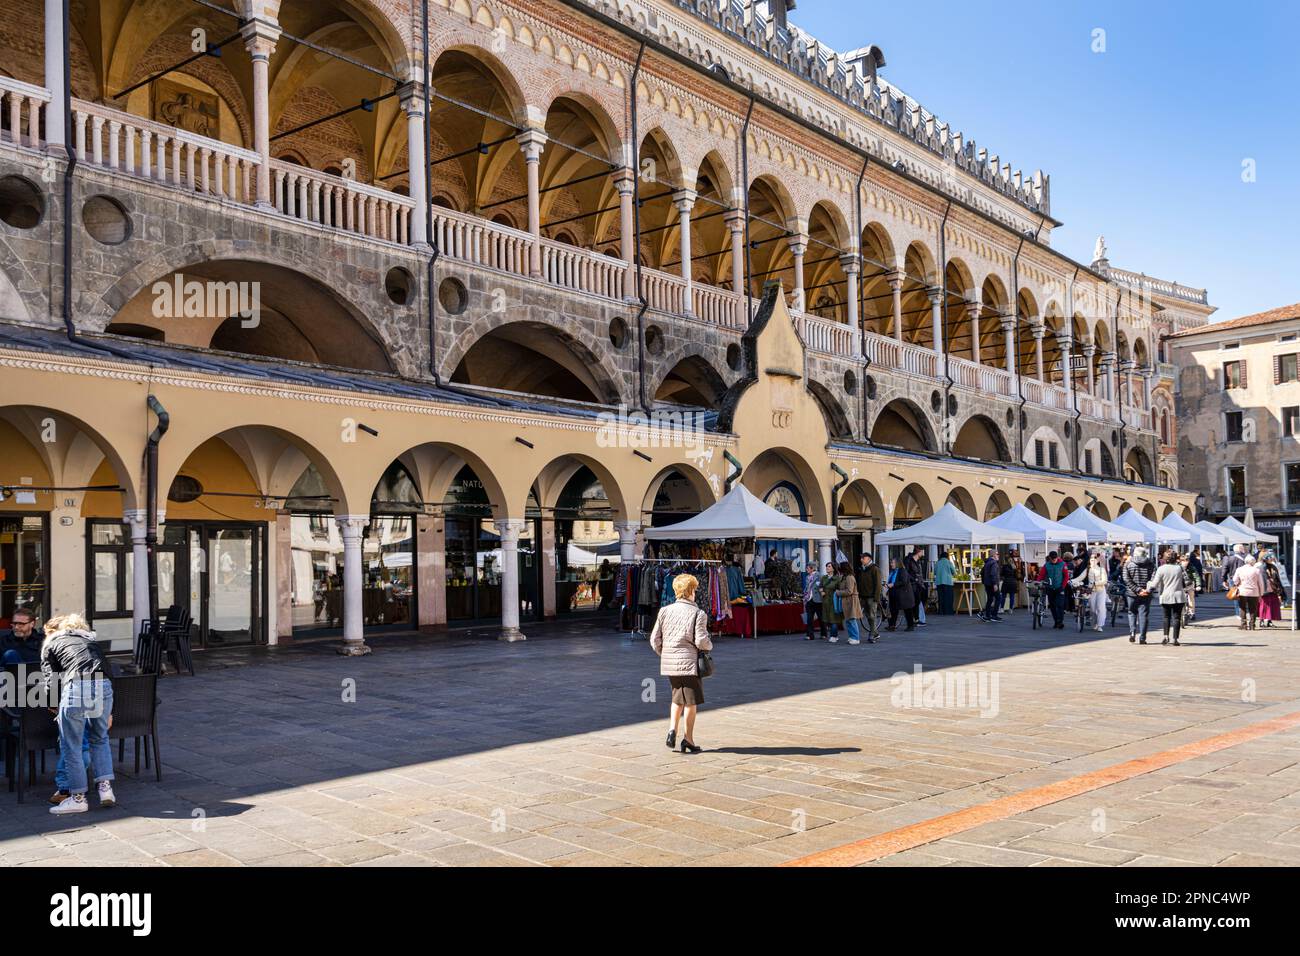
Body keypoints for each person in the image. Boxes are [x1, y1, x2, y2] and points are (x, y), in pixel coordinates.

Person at [41, 613, 115, 815]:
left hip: (77, 687)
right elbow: (109, 671)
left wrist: (54, 706)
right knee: (100, 739)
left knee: (71, 746)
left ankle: (78, 799)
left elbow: (51, 680)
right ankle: (105, 790)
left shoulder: (52, 644)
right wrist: (110, 711)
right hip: (104, 686)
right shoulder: (89, 640)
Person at [649, 574, 713, 754]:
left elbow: (655, 639)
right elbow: (701, 641)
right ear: (691, 591)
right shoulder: (698, 613)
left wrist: (666, 653)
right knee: (691, 703)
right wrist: (710, 645)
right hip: (689, 663)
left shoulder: (664, 611)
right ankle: (688, 739)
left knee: (677, 697)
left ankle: (672, 730)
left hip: (670, 664)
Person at [1149, 551, 1191, 646]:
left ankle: (1165, 636)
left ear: (1164, 558)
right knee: (1177, 618)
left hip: (1165, 595)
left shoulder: (1161, 569)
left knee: (1166, 617)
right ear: (1176, 558)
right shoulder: (1180, 568)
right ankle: (1175, 639)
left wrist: (1148, 585)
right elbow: (1188, 581)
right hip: (1179, 596)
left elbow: (1154, 584)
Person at [1121, 546, 1156, 644]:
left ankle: (1132, 632)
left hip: (1131, 593)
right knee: (1143, 615)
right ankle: (1142, 637)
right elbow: (1154, 578)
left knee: (1132, 613)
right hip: (1146, 593)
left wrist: (1137, 589)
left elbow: (1126, 579)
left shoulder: (1128, 563)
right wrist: (1146, 590)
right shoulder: (1151, 564)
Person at [1037, 551, 1071, 629]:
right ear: (1049, 558)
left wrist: (1063, 586)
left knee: (1060, 605)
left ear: (1057, 557)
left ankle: (1060, 621)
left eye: (1055, 559)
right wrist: (1038, 582)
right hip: (1050, 588)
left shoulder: (1063, 564)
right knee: (1052, 606)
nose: (1054, 560)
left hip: (1060, 588)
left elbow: (1066, 576)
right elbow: (1041, 575)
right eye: (1052, 559)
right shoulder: (1046, 565)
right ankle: (1056, 621)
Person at [1231, 555, 1265, 631]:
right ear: (1253, 562)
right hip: (1254, 592)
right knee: (1253, 609)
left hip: (1242, 591)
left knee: (1242, 608)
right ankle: (1252, 625)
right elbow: (1261, 583)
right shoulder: (1256, 570)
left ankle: (1243, 625)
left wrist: (1238, 583)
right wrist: (1261, 593)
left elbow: (1235, 580)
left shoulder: (1239, 569)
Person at [834, 562, 864, 645]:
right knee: (848, 620)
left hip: (851, 601)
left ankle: (855, 638)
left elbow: (849, 591)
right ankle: (852, 637)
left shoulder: (849, 577)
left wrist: (838, 592)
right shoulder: (845, 577)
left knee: (852, 619)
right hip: (847, 601)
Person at [1080, 550, 1110, 631]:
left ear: (1097, 561)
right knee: (1093, 609)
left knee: (1100, 608)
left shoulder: (1101, 570)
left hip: (1101, 591)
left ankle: (1100, 625)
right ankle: (1095, 623)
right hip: (1091, 591)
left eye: (1094, 560)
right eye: (1091, 559)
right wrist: (1072, 581)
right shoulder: (1088, 570)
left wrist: (1095, 583)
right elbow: (1080, 577)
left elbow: (1104, 581)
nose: (1092, 561)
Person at [857, 553, 883, 643]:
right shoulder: (863, 569)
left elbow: (878, 585)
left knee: (872, 616)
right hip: (864, 596)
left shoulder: (875, 569)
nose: (861, 560)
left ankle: (872, 635)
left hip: (871, 597)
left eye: (863, 558)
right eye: (861, 558)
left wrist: (876, 597)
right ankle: (875, 633)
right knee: (868, 616)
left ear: (868, 559)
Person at [887, 558, 917, 631]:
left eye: (892, 563)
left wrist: (893, 584)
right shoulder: (893, 572)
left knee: (907, 610)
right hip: (895, 594)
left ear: (897, 563)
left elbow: (903, 582)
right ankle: (892, 625)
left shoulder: (902, 571)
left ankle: (910, 626)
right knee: (893, 610)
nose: (891, 564)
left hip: (904, 595)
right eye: (891, 563)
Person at [819, 561, 843, 641]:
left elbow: (840, 589)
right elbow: (820, 586)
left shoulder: (838, 578)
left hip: (834, 601)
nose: (827, 568)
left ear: (833, 568)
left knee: (834, 619)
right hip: (825, 601)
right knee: (827, 619)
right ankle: (833, 635)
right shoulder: (824, 577)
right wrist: (821, 591)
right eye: (826, 566)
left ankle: (834, 636)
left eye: (829, 566)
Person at [1259, 554, 1284, 627]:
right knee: (1264, 606)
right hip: (1265, 590)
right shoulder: (1262, 568)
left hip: (1273, 589)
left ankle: (1269, 621)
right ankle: (1261, 621)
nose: (1272, 559)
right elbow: (1262, 580)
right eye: (1270, 558)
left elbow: (1277, 578)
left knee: (1272, 606)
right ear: (1266, 559)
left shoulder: (1273, 566)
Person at [907, 548, 929, 626]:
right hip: (913, 584)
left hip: (918, 585)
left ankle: (917, 619)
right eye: (922, 551)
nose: (923, 553)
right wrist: (915, 579)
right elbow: (908, 573)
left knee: (918, 602)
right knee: (915, 602)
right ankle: (917, 619)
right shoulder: (910, 561)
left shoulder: (918, 561)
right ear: (918, 552)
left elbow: (919, 573)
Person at [802, 566, 826, 640]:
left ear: (812, 569)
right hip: (809, 599)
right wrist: (805, 596)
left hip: (818, 600)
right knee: (809, 618)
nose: (806, 570)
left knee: (820, 618)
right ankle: (810, 635)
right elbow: (806, 587)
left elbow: (822, 586)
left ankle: (823, 634)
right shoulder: (807, 577)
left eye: (808, 568)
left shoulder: (819, 576)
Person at [980, 550, 1002, 623]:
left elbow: (981, 573)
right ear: (993, 555)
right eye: (997, 554)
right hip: (992, 584)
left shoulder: (987, 563)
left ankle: (987, 615)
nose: (998, 555)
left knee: (990, 599)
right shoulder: (994, 563)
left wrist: (984, 582)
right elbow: (993, 574)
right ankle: (994, 615)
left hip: (987, 584)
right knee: (998, 598)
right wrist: (995, 584)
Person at [1183, 550, 1204, 622]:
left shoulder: (1191, 567)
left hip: (1189, 584)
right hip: (1181, 585)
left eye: (1186, 561)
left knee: (1191, 597)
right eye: (1183, 561)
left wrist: (1198, 585)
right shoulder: (1178, 567)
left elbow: (1196, 576)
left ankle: (1192, 612)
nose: (1185, 562)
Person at [933, 550, 955, 615]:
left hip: (939, 582)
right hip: (948, 582)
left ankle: (941, 611)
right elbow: (953, 572)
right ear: (947, 556)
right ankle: (948, 611)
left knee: (941, 597)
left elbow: (935, 572)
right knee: (948, 597)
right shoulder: (949, 562)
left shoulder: (937, 562)